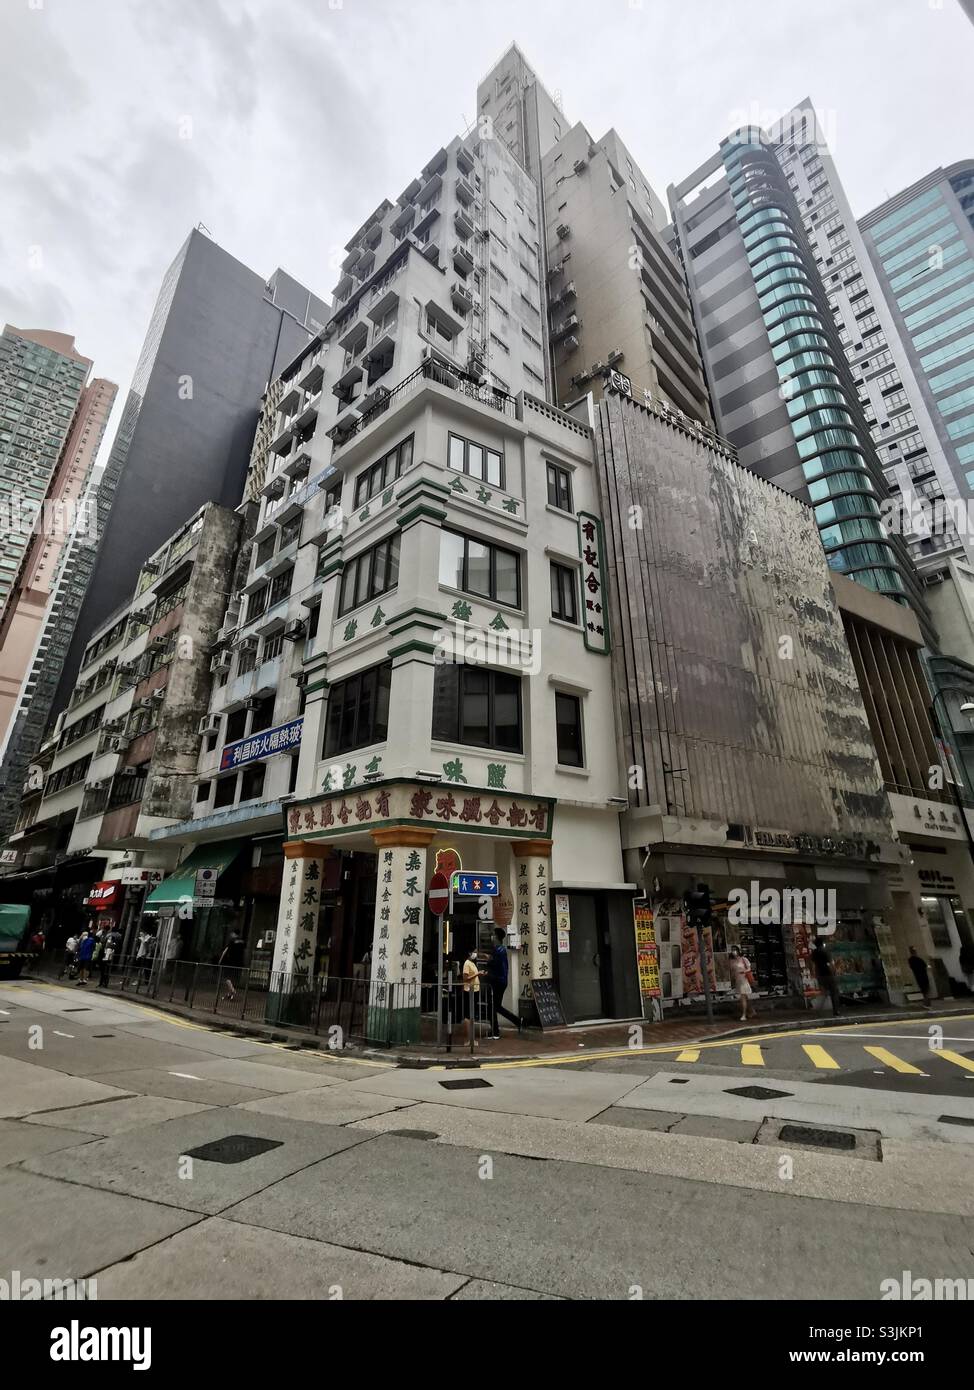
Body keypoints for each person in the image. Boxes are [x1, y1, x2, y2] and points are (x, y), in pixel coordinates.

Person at [483, 927, 521, 1038]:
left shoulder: (500, 950)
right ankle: (517, 1022)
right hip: (499, 981)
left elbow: (495, 964)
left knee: (492, 1006)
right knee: (496, 1006)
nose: (491, 937)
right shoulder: (498, 949)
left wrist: (488, 964)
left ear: (497, 937)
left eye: (493, 935)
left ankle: (495, 1032)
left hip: (498, 981)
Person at [811, 937, 842, 1016]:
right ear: (822, 943)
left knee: (824, 993)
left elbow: (813, 965)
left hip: (820, 975)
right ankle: (836, 1011)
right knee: (834, 992)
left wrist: (815, 974)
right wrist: (835, 972)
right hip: (828, 974)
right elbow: (831, 963)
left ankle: (819, 1010)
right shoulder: (825, 952)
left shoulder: (814, 953)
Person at [727, 947, 754, 1022]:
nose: (734, 952)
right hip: (737, 980)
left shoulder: (744, 959)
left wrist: (744, 971)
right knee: (745, 997)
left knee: (742, 997)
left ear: (738, 951)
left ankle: (744, 1014)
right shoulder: (732, 961)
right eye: (732, 950)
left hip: (744, 979)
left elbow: (749, 968)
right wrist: (732, 980)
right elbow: (732, 971)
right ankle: (751, 1011)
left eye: (735, 950)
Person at [461, 948, 481, 1043]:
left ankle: (472, 1039)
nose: (476, 954)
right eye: (474, 952)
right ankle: (468, 1039)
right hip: (469, 991)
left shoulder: (472, 963)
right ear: (470, 953)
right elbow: (465, 978)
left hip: (475, 990)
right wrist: (477, 973)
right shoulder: (467, 963)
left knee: (472, 1015)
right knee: (468, 1015)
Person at [219, 931, 245, 1000]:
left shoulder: (232, 941)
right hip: (238, 962)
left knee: (226, 977)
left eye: (232, 934)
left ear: (234, 934)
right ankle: (230, 994)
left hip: (230, 962)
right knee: (233, 978)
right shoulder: (242, 942)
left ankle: (233, 991)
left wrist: (220, 960)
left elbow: (225, 951)